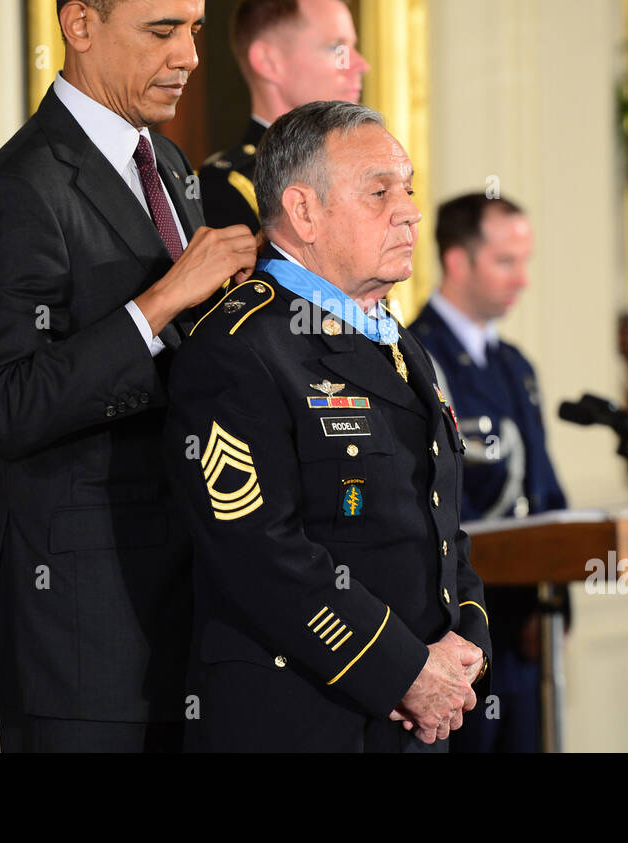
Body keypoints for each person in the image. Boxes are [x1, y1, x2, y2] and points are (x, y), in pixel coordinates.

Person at [0, 0, 257, 752]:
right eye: (163, 30)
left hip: (186, 613)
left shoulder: (173, 169)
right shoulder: (19, 190)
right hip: (81, 636)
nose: (189, 56)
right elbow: (7, 406)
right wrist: (160, 303)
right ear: (80, 24)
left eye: (194, 29)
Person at [164, 101, 490, 752]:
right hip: (300, 717)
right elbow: (259, 554)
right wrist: (403, 669)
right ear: (304, 211)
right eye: (379, 192)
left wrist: (465, 646)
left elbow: (441, 524)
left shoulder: (397, 340)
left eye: (409, 189)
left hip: (417, 716)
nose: (410, 210)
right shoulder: (239, 347)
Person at [411, 193, 568, 753]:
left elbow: (546, 488)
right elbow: (439, 501)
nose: (522, 279)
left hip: (530, 621)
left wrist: (556, 604)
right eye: (506, 262)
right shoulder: (416, 354)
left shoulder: (514, 365)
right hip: (466, 627)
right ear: (458, 261)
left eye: (525, 262)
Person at [198, 0, 369, 233]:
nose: (360, 65)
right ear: (269, 61)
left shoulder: (355, 167)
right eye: (336, 48)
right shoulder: (227, 188)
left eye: (352, 48)